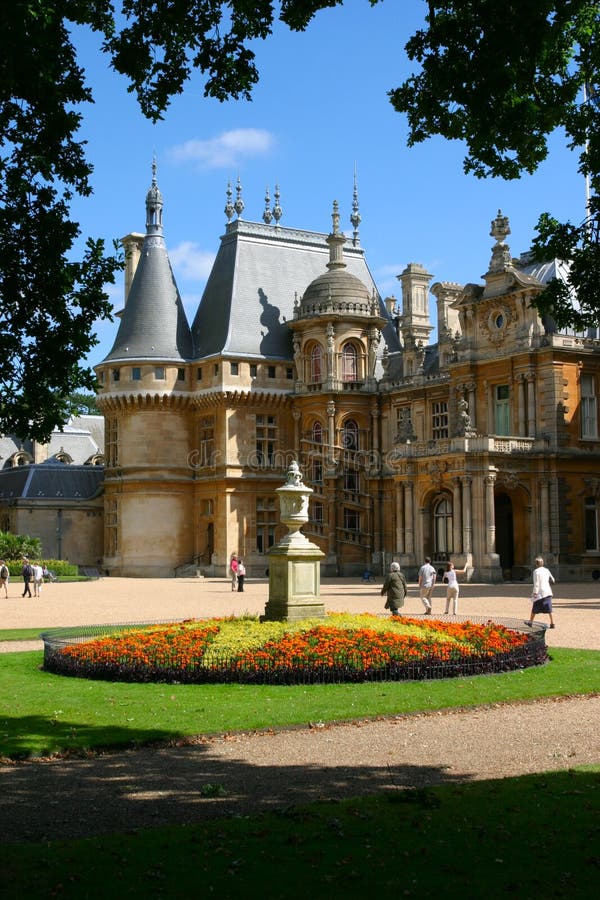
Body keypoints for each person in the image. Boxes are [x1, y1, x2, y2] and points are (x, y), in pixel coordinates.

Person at [526, 556, 556, 628]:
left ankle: (530, 622)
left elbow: (536, 583)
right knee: (549, 609)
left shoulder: (536, 571)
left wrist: (535, 593)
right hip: (548, 591)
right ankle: (552, 623)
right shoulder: (547, 570)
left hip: (540, 592)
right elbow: (553, 580)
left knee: (535, 607)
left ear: (536, 564)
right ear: (542, 563)